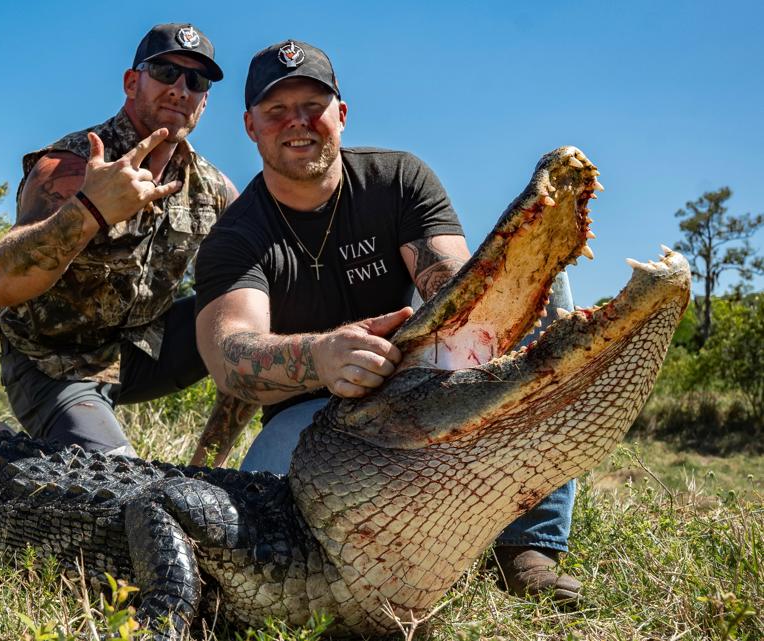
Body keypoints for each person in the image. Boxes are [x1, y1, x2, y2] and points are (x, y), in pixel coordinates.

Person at [193, 39, 581, 602]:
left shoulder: (398, 179)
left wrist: (499, 289)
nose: (297, 123)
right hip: (316, 415)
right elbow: (232, 353)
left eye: (313, 106)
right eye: (277, 110)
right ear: (251, 125)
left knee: (549, 289)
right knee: (252, 534)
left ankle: (527, 548)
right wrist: (324, 357)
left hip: (424, 377)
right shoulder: (238, 235)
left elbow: (449, 281)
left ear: (341, 115)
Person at [0, 23, 253, 458]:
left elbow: (256, 295)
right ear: (132, 82)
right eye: (165, 72)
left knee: (254, 309)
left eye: (196, 81)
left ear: (204, 101)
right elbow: (3, 283)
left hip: (140, 350)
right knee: (120, 480)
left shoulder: (212, 188)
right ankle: (13, 452)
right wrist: (91, 208)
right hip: (52, 362)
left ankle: (209, 467)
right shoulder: (70, 165)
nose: (181, 89)